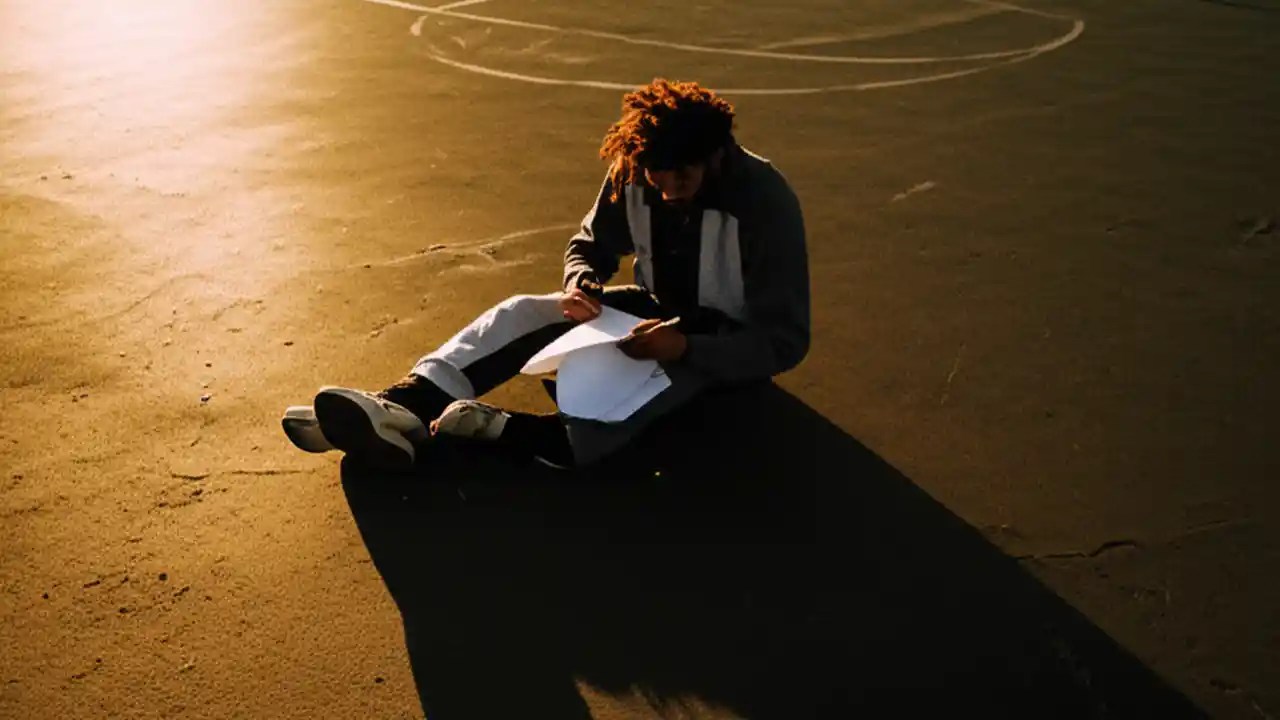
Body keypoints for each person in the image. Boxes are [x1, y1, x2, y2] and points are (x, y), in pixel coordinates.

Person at [282, 78, 810, 472]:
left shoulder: (765, 203)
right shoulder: (636, 169)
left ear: (714, 156)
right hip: (657, 317)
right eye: (658, 175)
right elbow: (591, 244)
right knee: (523, 312)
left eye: (683, 176)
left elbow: (784, 341)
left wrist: (687, 348)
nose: (668, 188)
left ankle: (513, 433)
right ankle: (401, 406)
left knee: (618, 394)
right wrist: (582, 281)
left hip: (725, 349)